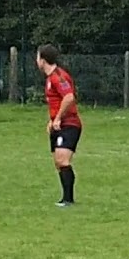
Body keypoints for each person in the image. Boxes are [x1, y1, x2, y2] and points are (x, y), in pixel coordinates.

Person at [36, 44, 82, 207]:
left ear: (43, 60)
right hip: (59, 125)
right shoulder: (50, 78)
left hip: (69, 124)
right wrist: (52, 120)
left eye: (37, 57)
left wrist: (58, 119)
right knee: (58, 162)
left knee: (63, 161)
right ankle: (66, 199)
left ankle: (69, 200)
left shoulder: (58, 76)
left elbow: (69, 97)